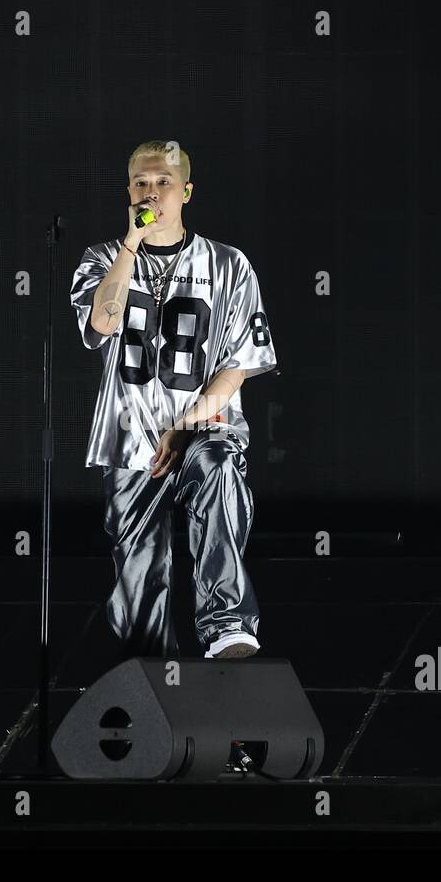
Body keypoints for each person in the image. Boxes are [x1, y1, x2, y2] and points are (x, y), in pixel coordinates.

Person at [70, 140, 278, 662]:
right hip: (128, 435)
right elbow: (102, 322)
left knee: (216, 471)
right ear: (129, 193)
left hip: (202, 426)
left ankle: (227, 626)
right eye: (141, 183)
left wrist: (186, 424)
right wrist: (130, 246)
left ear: (185, 191)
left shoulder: (228, 265)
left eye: (163, 181)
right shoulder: (102, 259)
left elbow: (237, 365)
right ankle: (153, 676)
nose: (152, 192)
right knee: (139, 601)